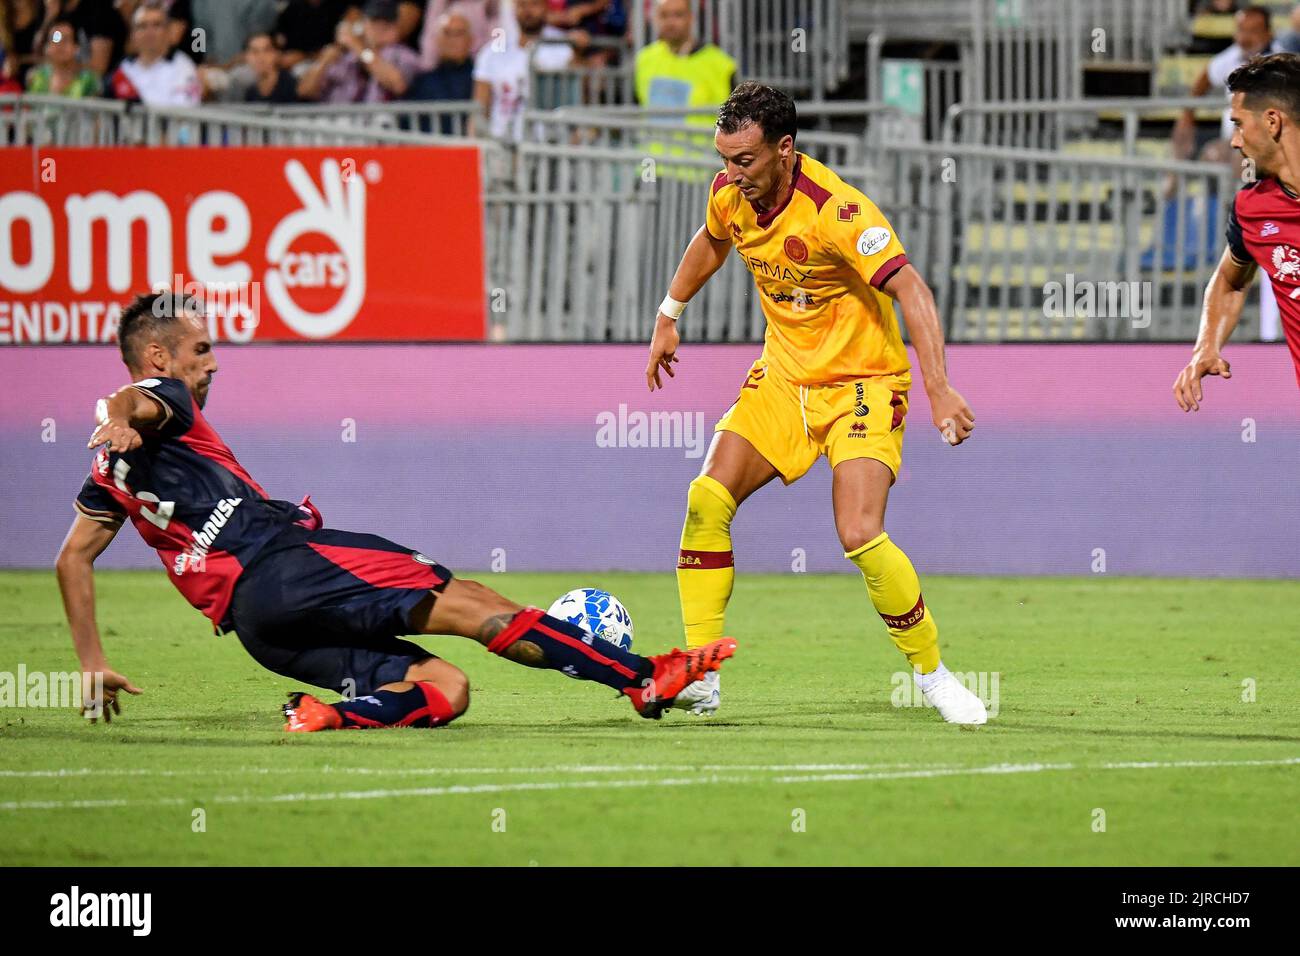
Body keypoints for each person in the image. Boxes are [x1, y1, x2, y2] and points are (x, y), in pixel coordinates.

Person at [57, 292, 738, 731]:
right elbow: (135, 402)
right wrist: (118, 412)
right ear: (157, 357)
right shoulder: (160, 398)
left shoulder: (106, 470)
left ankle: (329, 717)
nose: (212, 366)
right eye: (200, 350)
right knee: (473, 605)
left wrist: (91, 660)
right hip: (285, 564)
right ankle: (643, 678)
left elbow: (73, 559)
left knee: (446, 687)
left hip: (261, 631)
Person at [645, 83, 987, 724]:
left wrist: (939, 387)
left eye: (743, 160)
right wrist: (670, 312)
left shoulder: (838, 212)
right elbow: (713, 239)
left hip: (862, 383)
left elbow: (912, 289)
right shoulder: (732, 193)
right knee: (705, 500)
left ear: (784, 148)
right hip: (782, 379)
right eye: (723, 158)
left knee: (858, 533)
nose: (730, 174)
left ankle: (933, 674)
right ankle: (701, 672)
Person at [1174, 53, 1300, 404]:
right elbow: (1230, 281)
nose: (1234, 140)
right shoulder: (1253, 208)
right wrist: (1207, 345)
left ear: (1272, 121)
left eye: (1239, 124)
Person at [471, 0, 581, 140]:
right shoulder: (492, 52)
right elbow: (480, 106)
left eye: (534, 4)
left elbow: (577, 99)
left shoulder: (565, 46)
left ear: (546, 7)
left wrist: (578, 53)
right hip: (501, 143)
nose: (528, 11)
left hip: (549, 143)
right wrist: (474, 141)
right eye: (522, 5)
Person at [296, 0, 420, 103]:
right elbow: (304, 91)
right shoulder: (347, 57)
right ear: (364, 24)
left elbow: (398, 84)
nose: (378, 28)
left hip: (376, 127)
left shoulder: (404, 55)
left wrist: (357, 46)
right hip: (338, 125)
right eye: (373, 22)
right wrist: (324, 61)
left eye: (386, 24)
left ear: (395, 27)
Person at [635, 0, 734, 112]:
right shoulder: (644, 59)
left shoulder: (721, 64)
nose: (670, 22)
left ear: (691, 18)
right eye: (664, 15)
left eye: (678, 14)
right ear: (655, 18)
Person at [106, 0, 199, 105]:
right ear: (133, 34)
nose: (149, 32)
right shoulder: (124, 67)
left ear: (168, 31)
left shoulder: (183, 66)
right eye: (142, 26)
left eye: (156, 25)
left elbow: (182, 114)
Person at [406, 9, 474, 109]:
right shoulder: (424, 82)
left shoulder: (481, 80)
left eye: (459, 33)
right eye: (447, 33)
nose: (452, 40)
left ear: (470, 40)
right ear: (437, 40)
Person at [418, 0, 507, 71]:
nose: (453, 39)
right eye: (449, 33)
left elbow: (496, 48)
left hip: (475, 67)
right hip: (440, 70)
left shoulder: (492, 15)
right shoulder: (441, 7)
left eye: (457, 33)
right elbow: (429, 39)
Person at [25, 18, 100, 95]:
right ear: (47, 47)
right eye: (55, 40)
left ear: (76, 47)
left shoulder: (88, 81)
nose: (59, 45)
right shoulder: (36, 77)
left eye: (66, 40)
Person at [242, 30, 297, 103]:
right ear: (246, 56)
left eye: (267, 50)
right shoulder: (250, 92)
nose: (261, 57)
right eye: (254, 51)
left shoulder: (292, 86)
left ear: (277, 54)